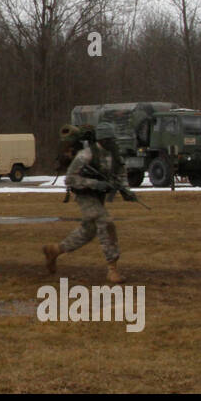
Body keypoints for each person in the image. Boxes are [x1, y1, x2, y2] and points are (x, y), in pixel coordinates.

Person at [43, 122, 130, 284]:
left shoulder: (115, 154)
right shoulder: (86, 155)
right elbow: (70, 179)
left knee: (88, 231)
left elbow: (120, 172)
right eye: (109, 139)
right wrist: (96, 184)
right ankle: (113, 270)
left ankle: (55, 250)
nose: (112, 141)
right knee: (106, 223)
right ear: (102, 139)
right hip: (85, 195)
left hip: (99, 197)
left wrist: (125, 190)